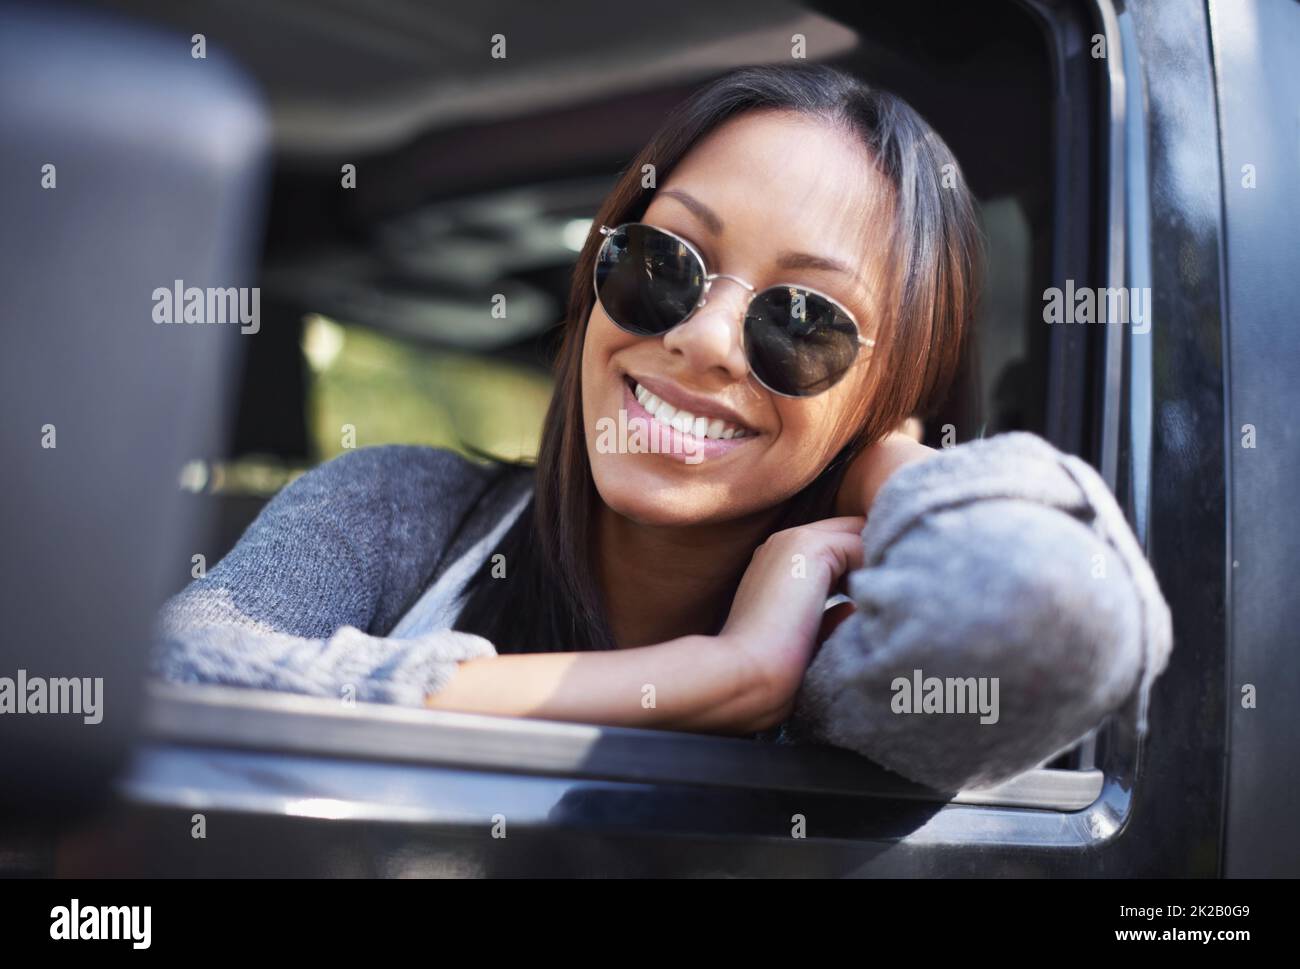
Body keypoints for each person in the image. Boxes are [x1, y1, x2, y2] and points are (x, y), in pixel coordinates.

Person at [154, 65, 1170, 791]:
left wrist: (891, 463)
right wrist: (709, 680)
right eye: (665, 262)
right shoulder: (398, 510)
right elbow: (178, 675)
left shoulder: (858, 652)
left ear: (882, 397)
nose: (707, 338)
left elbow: (1052, 614)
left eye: (807, 322)